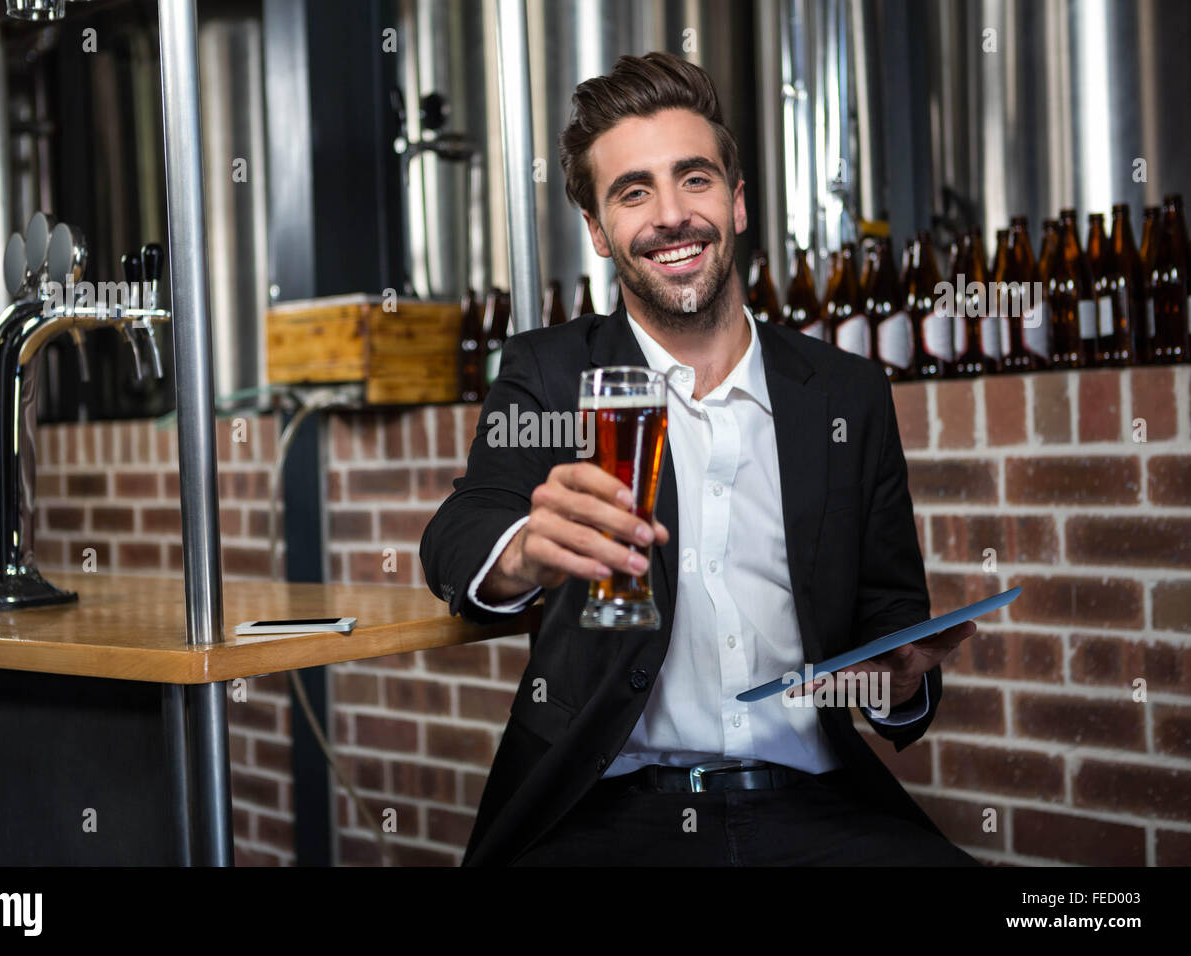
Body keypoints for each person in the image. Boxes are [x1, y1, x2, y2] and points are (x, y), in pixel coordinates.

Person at [419, 51, 980, 866]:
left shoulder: (845, 393)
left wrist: (893, 685)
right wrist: (526, 552)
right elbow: (457, 536)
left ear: (738, 201)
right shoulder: (551, 371)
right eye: (633, 192)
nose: (671, 216)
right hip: (605, 811)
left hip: (811, 805)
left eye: (695, 179)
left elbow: (892, 623)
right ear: (599, 232)